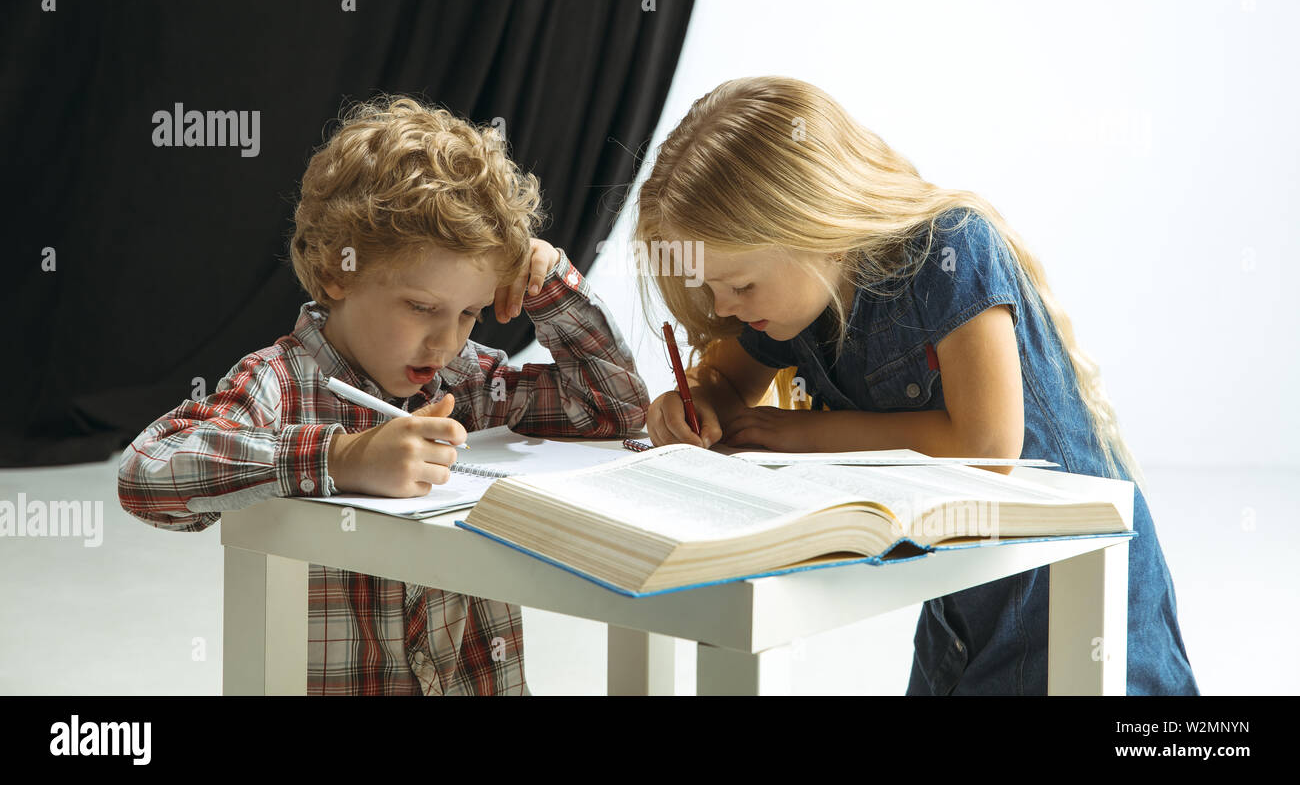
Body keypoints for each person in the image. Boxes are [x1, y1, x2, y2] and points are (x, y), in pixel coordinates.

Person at [637, 75, 1198, 695]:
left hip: (1074, 602)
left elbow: (988, 446)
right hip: (959, 613)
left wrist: (804, 433)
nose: (726, 309)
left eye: (741, 287)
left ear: (812, 229)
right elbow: (724, 379)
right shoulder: (790, 304)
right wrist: (697, 402)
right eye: (711, 290)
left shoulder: (949, 247)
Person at [118, 95, 650, 695]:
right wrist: (340, 459)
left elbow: (615, 414)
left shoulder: (468, 384)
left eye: (470, 312)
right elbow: (145, 476)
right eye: (422, 308)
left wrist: (552, 288)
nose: (446, 341)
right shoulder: (279, 385)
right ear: (337, 273)